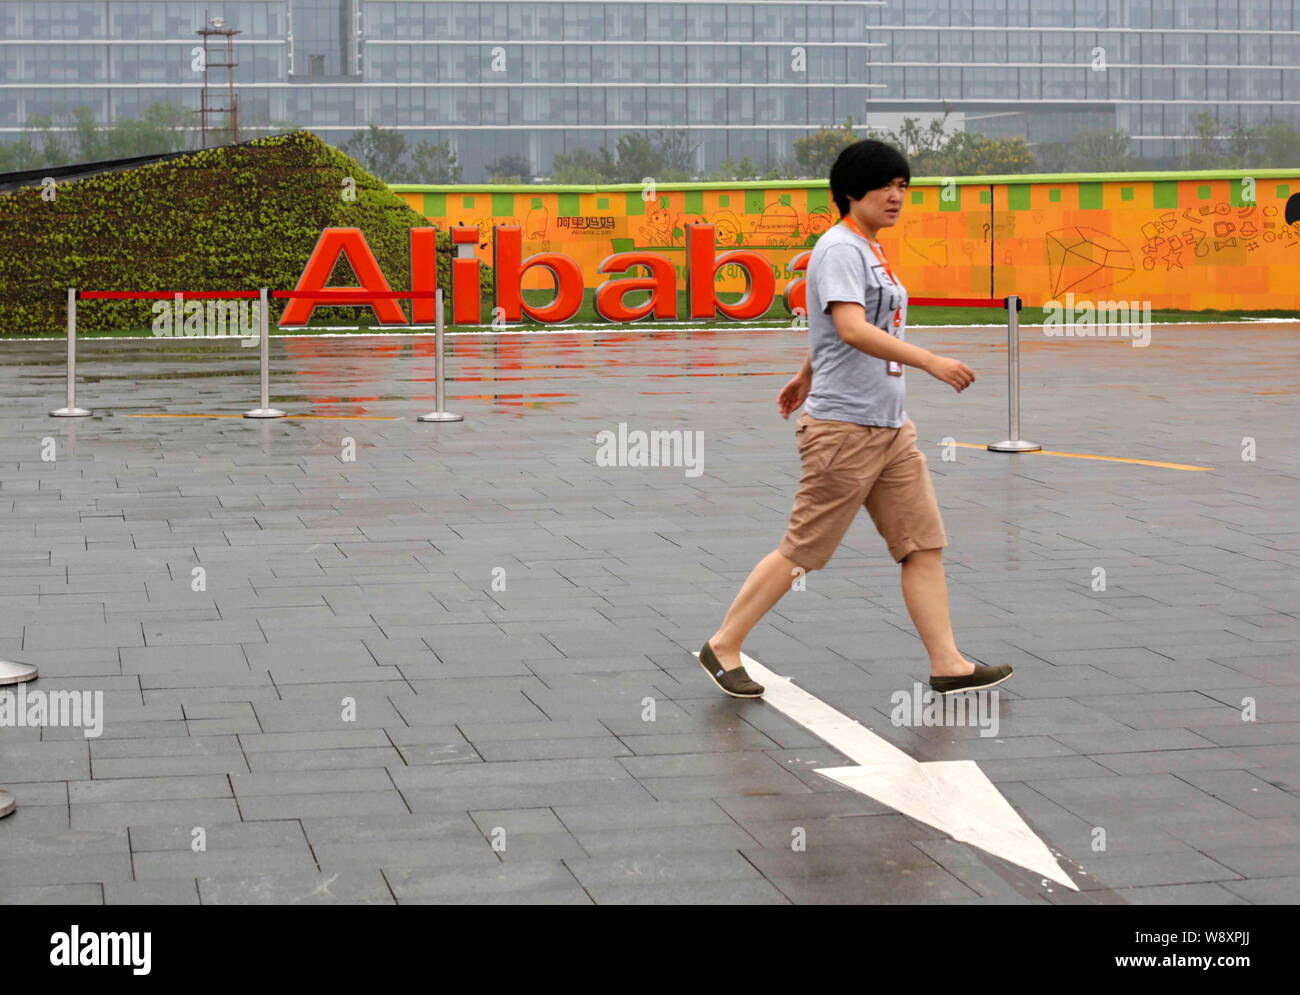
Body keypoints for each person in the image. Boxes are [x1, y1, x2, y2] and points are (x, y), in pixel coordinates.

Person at [699, 139, 1013, 699]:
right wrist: (930, 360)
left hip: (891, 427)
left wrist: (804, 374)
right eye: (886, 186)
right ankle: (723, 644)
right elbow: (849, 328)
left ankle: (949, 664)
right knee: (803, 551)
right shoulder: (840, 248)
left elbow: (835, 330)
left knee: (921, 543)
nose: (897, 197)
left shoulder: (869, 249)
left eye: (903, 188)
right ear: (851, 191)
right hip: (845, 431)